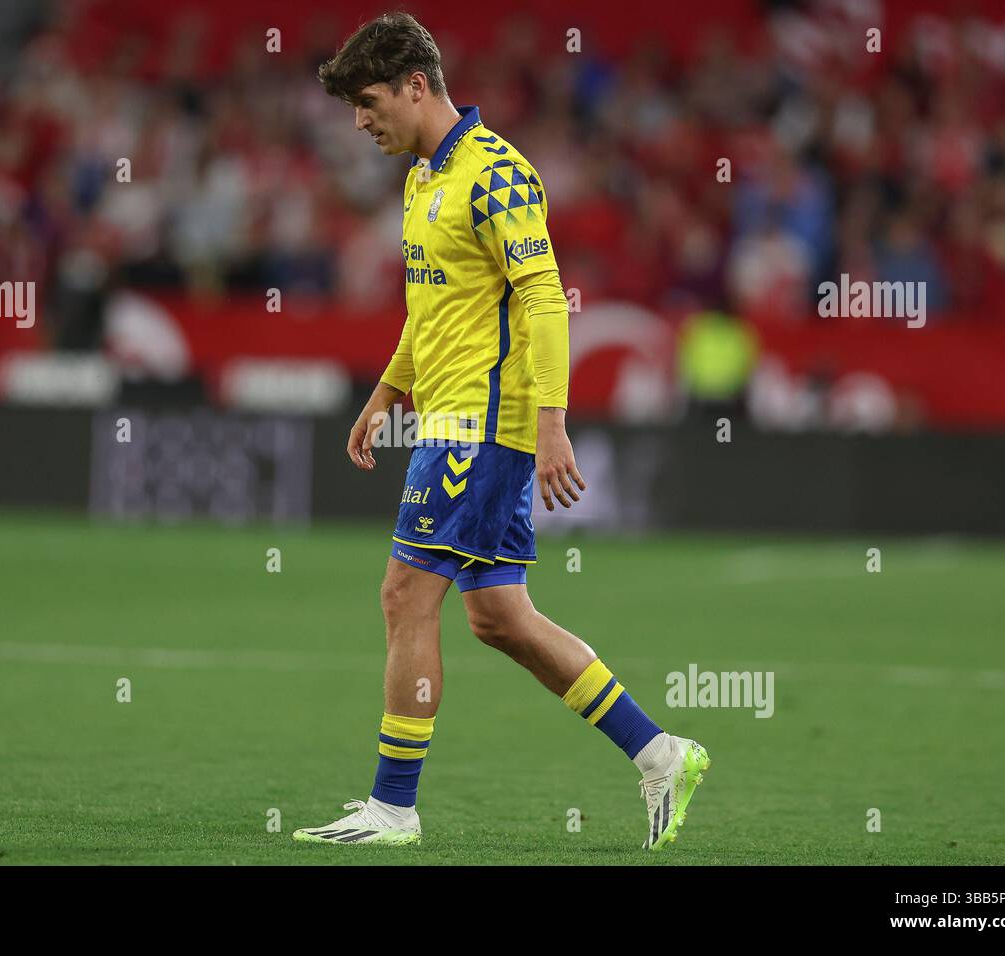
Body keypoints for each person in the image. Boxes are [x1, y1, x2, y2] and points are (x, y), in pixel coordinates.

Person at [294, 12, 709, 850]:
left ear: (418, 85)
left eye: (369, 101)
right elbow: (433, 305)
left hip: (479, 426)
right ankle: (662, 753)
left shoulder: (498, 175)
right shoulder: (422, 178)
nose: (359, 121)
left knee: (406, 595)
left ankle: (393, 809)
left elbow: (546, 300)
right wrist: (386, 392)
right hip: (443, 416)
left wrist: (551, 422)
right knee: (498, 616)